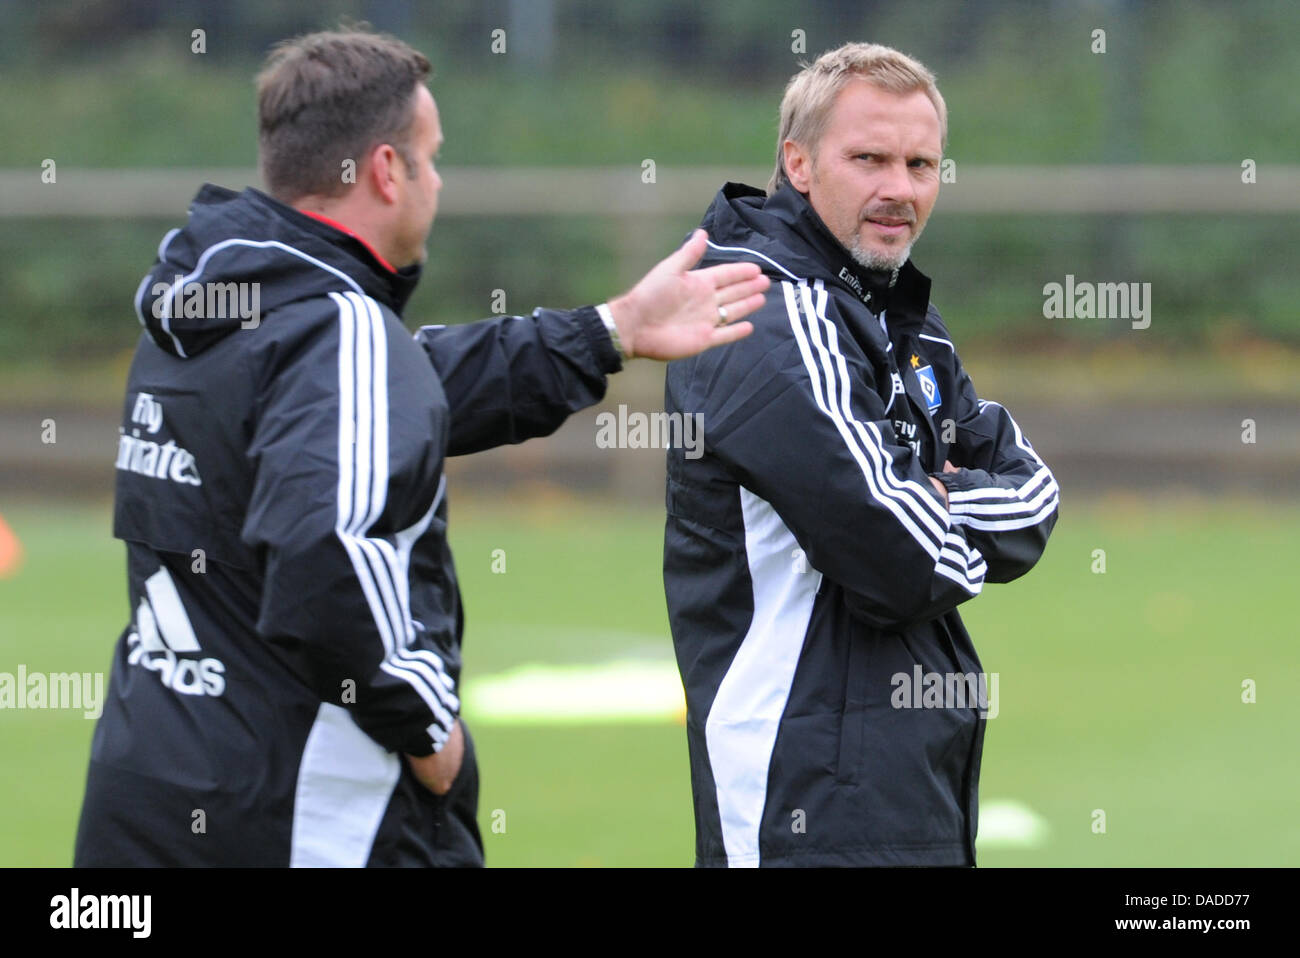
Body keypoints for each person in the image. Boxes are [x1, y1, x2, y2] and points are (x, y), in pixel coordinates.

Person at [74, 27, 767, 867]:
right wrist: (430, 728)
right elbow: (321, 548)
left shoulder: (209, 313)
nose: (436, 181)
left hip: (146, 785)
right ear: (384, 171)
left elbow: (402, 387)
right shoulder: (339, 329)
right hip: (306, 812)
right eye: (431, 158)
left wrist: (610, 331)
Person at [662, 42, 1059, 867]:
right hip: (802, 793)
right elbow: (903, 557)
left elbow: (1038, 494)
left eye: (921, 164)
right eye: (870, 158)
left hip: (898, 776)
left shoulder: (894, 309)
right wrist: (936, 502)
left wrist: (938, 499)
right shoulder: (772, 313)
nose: (900, 190)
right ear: (798, 163)